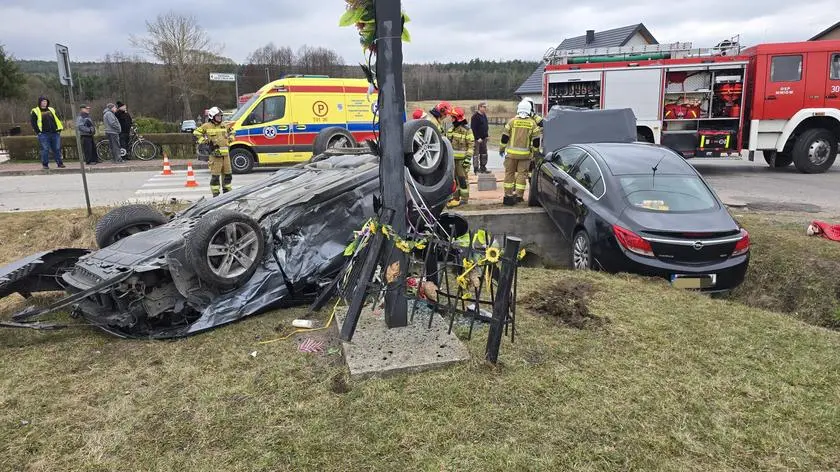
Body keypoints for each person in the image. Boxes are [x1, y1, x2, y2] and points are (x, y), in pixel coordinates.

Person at [499, 101, 540, 205]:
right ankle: (518, 196)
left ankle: (508, 195)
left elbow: (504, 138)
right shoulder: (532, 124)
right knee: (522, 175)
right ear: (529, 110)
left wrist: (501, 149)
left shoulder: (511, 122)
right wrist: (535, 153)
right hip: (525, 156)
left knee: (509, 174)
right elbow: (536, 142)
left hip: (511, 155)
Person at [194, 106, 232, 197]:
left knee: (228, 176)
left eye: (220, 116)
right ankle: (216, 195)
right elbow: (196, 133)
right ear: (212, 116)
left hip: (226, 156)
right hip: (215, 156)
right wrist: (205, 141)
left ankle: (228, 195)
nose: (220, 118)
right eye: (217, 116)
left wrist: (231, 138)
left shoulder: (224, 125)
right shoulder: (207, 126)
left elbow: (232, 131)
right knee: (215, 177)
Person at [446, 107, 474, 208]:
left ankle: (464, 199)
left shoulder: (467, 130)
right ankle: (456, 198)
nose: (451, 119)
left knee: (462, 180)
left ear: (457, 118)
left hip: (462, 161)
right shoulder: (450, 130)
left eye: (453, 117)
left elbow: (471, 146)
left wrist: (468, 159)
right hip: (452, 161)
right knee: (453, 180)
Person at [30, 96, 65, 169]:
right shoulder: (35, 111)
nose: (44, 103)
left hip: (54, 133)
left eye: (46, 101)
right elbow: (33, 123)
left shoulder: (51, 109)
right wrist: (38, 132)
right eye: (43, 101)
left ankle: (60, 163)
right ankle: (45, 164)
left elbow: (57, 119)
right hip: (43, 134)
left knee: (57, 148)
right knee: (45, 149)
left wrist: (58, 130)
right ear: (40, 102)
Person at [470, 101, 490, 174]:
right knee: (476, 154)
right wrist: (477, 138)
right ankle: (476, 169)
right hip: (477, 139)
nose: (485, 108)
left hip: (484, 138)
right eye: (484, 107)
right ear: (480, 107)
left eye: (485, 107)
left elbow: (485, 126)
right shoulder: (475, 117)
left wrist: (487, 135)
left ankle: (483, 167)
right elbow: (473, 128)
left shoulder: (484, 115)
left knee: (484, 153)